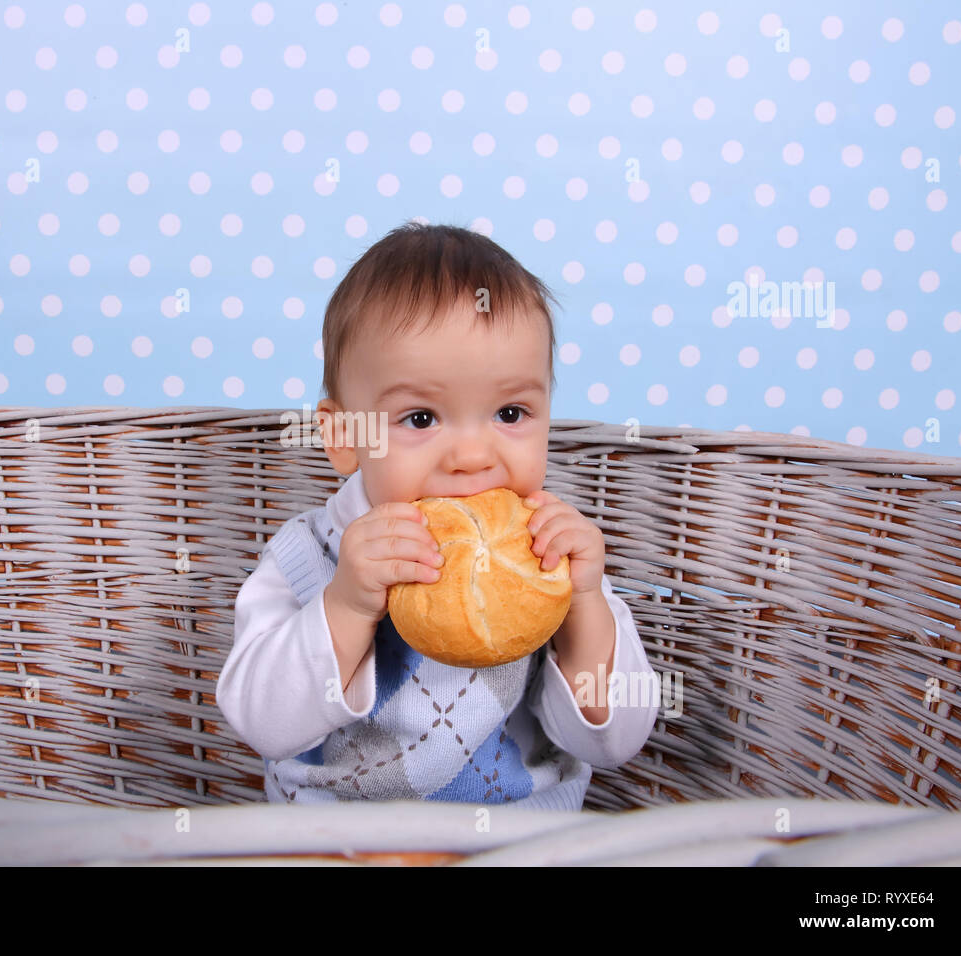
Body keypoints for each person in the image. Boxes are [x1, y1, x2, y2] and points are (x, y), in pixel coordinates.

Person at [216, 221, 659, 809]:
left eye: (510, 412)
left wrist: (583, 609)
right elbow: (259, 722)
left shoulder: (554, 556)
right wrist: (346, 605)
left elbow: (615, 743)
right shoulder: (308, 555)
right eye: (421, 419)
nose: (473, 458)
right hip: (339, 841)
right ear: (345, 435)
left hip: (515, 842)